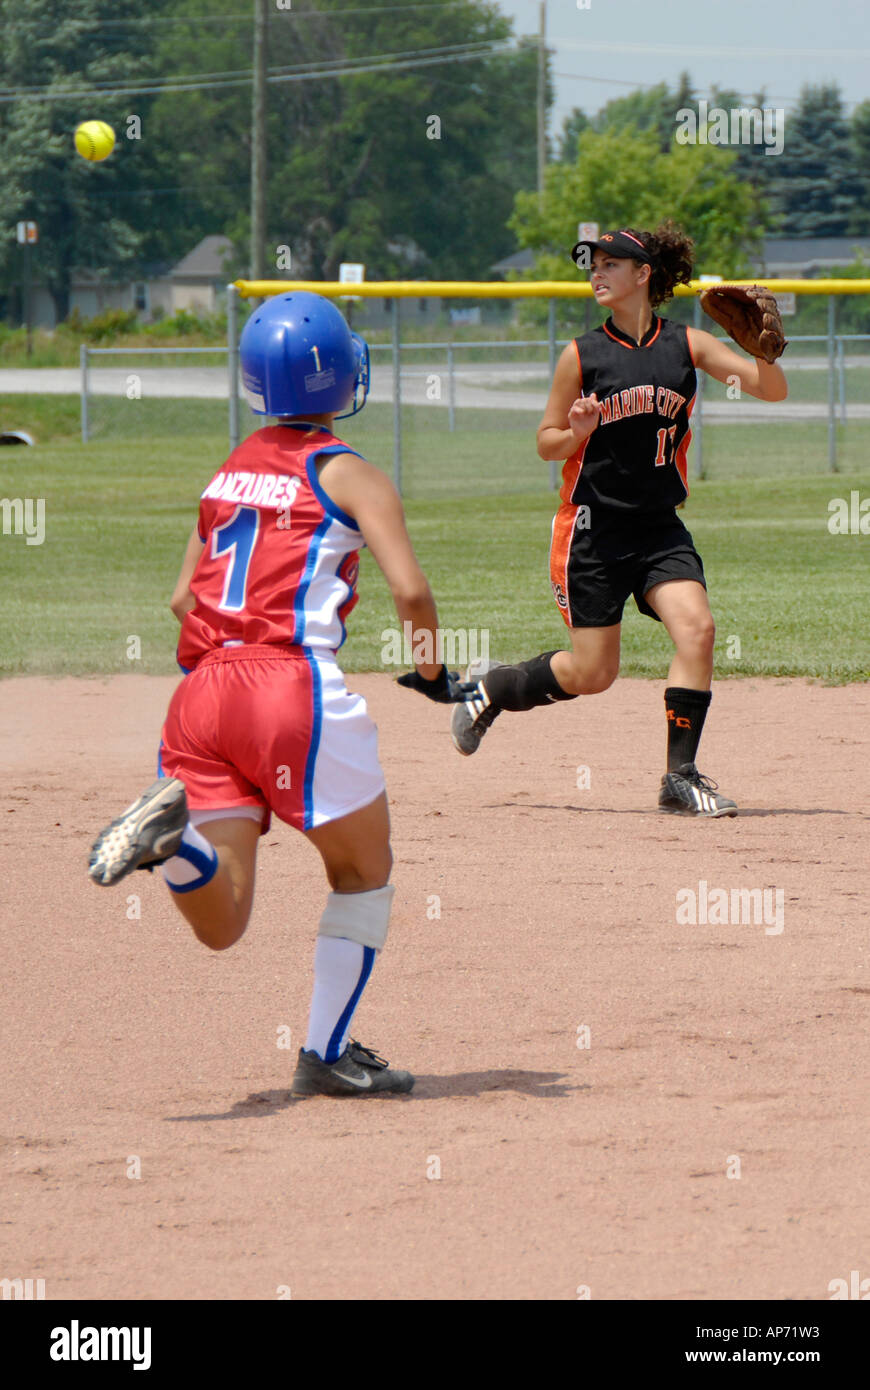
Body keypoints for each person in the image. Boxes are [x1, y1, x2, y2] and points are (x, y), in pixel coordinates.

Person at [88, 291, 464, 1097]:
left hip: (199, 696)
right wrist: (431, 672)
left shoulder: (229, 468)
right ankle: (325, 1053)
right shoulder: (350, 472)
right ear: (339, 379)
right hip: (288, 686)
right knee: (364, 868)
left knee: (223, 919)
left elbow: (181, 598)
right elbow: (411, 592)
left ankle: (172, 845)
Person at [449, 222, 788, 816]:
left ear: (643, 274)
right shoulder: (580, 354)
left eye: (610, 264)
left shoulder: (689, 345)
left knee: (698, 629)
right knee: (592, 673)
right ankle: (493, 688)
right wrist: (574, 431)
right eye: (593, 265)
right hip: (593, 532)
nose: (596, 274)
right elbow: (546, 443)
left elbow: (771, 390)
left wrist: (762, 351)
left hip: (659, 528)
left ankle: (679, 778)